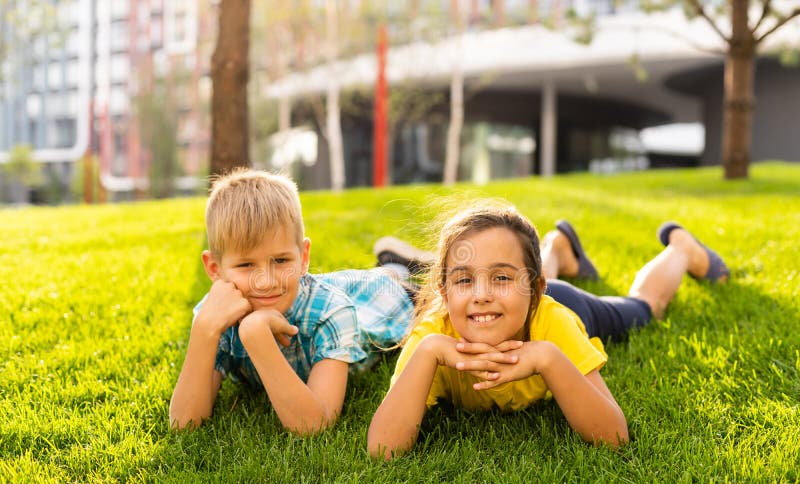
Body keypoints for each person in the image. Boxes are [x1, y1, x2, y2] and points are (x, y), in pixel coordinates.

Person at [367, 202, 729, 459]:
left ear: (536, 290)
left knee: (641, 310)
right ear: (444, 293)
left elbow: (613, 436)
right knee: (518, 275)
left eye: (501, 277)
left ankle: (681, 249)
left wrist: (548, 357)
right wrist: (429, 352)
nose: (481, 296)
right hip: (528, 290)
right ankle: (558, 247)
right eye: (464, 280)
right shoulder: (433, 333)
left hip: (565, 303)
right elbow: (382, 449)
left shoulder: (553, 322)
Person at [169, 169, 414, 434]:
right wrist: (204, 329)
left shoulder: (332, 312)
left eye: (281, 260)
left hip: (384, 300)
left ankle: (398, 268)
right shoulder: (215, 315)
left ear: (303, 256)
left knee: (432, 288)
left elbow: (315, 425)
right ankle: (393, 263)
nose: (265, 281)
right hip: (331, 288)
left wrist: (255, 335)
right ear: (215, 269)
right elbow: (184, 424)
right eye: (245, 264)